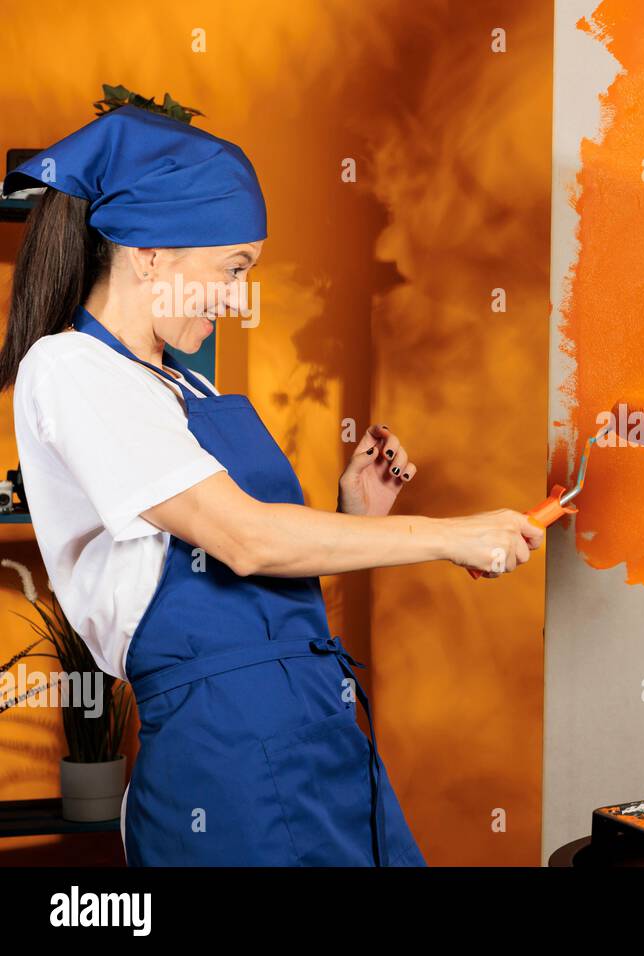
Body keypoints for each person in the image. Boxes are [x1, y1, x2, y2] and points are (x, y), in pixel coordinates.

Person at [0, 105, 544, 866]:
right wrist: (455, 535)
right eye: (233, 268)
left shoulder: (180, 386)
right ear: (151, 252)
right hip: (226, 753)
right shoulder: (69, 369)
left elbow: (247, 577)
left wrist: (348, 514)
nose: (235, 299)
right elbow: (246, 540)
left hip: (314, 722)